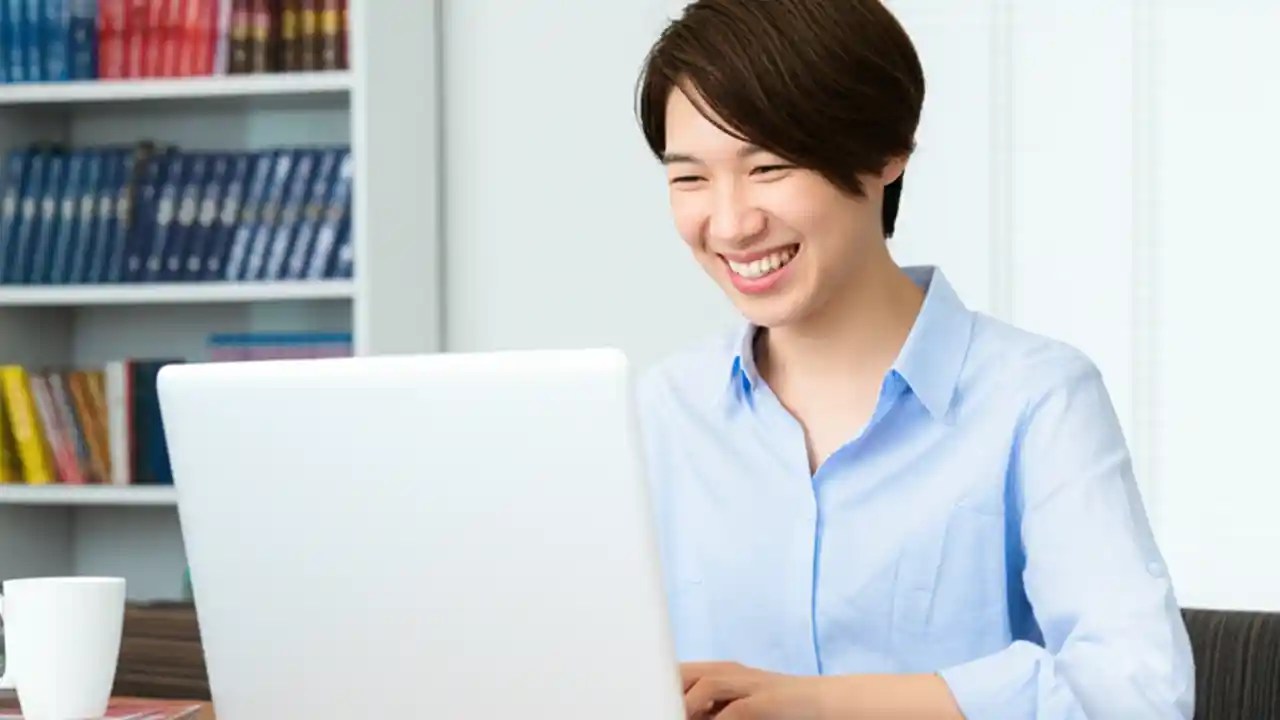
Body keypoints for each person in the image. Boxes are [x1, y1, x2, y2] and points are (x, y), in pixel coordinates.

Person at [632, 1, 1195, 718]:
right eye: (690, 179)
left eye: (770, 166)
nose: (732, 221)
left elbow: (1139, 693)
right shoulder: (662, 413)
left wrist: (823, 707)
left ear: (886, 152)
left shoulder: (1035, 399)